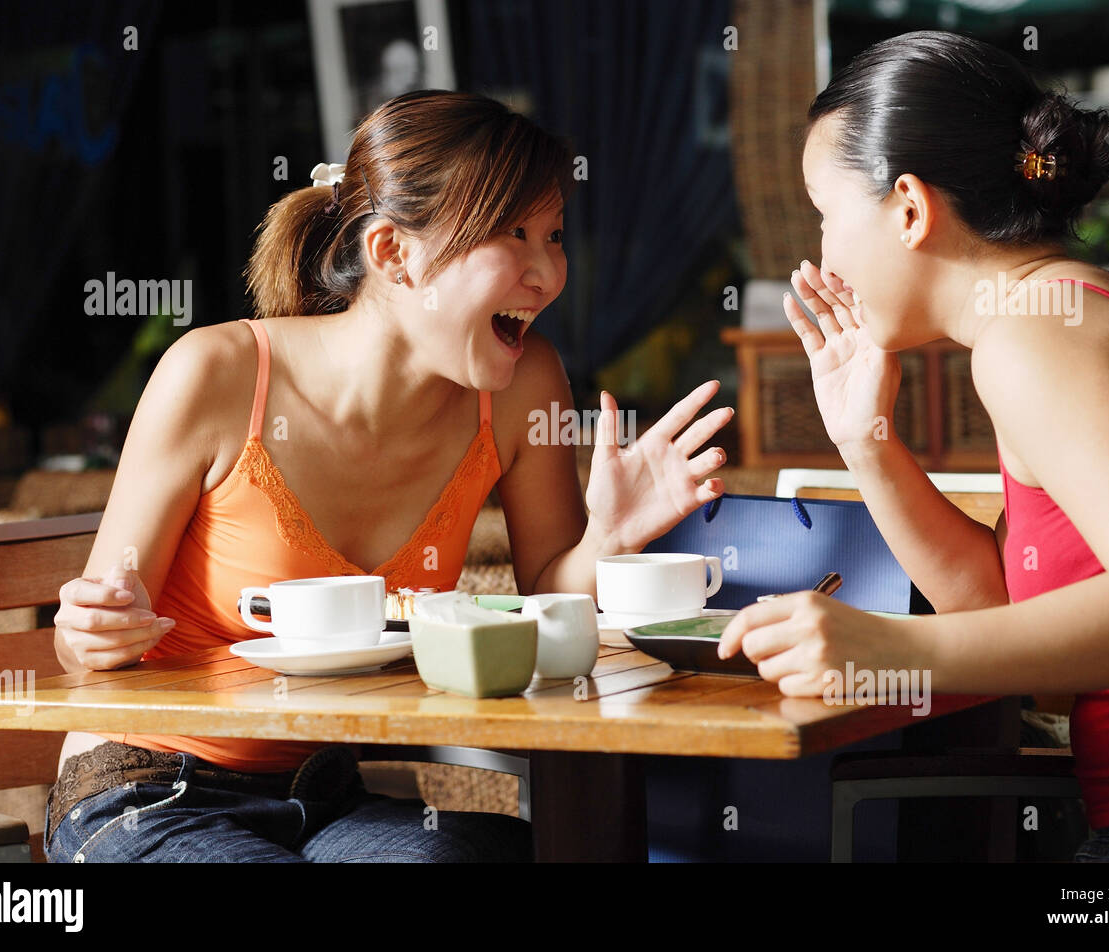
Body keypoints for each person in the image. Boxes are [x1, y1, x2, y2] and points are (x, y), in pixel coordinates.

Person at [46, 90, 733, 862]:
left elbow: (549, 600)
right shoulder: (216, 373)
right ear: (392, 253)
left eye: (555, 236)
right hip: (148, 789)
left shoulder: (519, 386)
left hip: (326, 791)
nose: (547, 274)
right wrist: (92, 627)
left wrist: (609, 533)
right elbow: (88, 647)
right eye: (514, 234)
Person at [718, 31, 1109, 862]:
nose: (819, 255)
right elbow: (1001, 618)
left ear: (911, 208)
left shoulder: (1036, 337)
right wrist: (868, 439)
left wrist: (893, 648)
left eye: (826, 214)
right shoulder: (1061, 312)